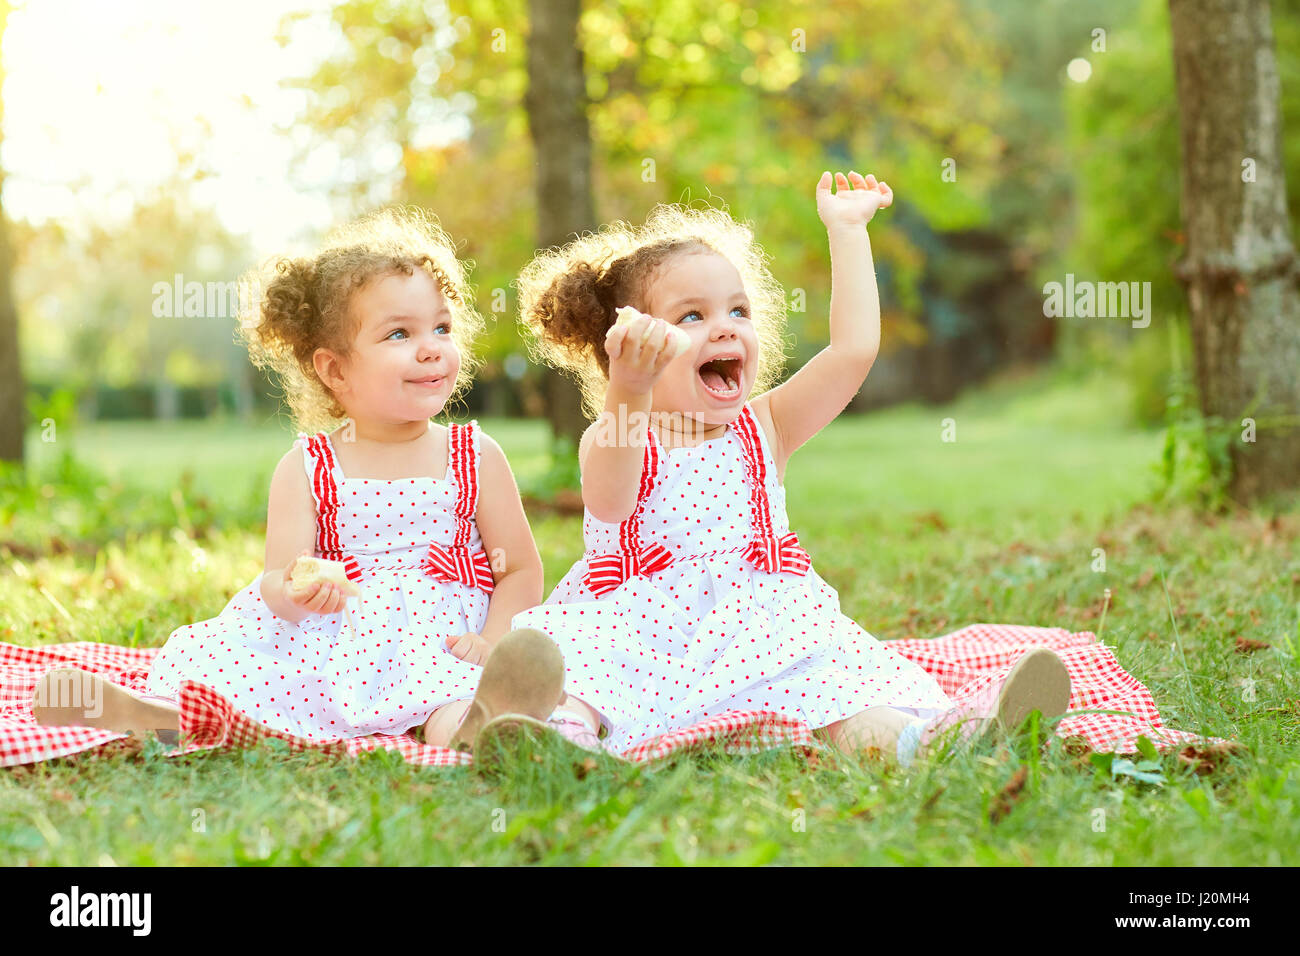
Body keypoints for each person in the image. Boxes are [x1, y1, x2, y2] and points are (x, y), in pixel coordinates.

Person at [508, 171, 1072, 763]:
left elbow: (853, 351)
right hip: (640, 629)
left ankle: (930, 744)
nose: (724, 325)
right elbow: (610, 501)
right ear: (630, 344)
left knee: (834, 696)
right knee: (583, 674)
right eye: (691, 317)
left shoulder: (765, 426)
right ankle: (556, 740)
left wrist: (848, 232)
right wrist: (629, 387)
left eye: (737, 310)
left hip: (763, 630)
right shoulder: (621, 432)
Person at [33, 207, 570, 750]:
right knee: (264, 681)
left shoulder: (474, 454)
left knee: (448, 690)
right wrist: (299, 591)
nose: (431, 346)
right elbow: (276, 579)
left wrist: (492, 639)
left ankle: (474, 728)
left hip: (443, 640)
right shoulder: (307, 466)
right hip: (339, 638)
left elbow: (520, 568)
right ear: (336, 370)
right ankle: (159, 714)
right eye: (400, 333)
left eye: (442, 327)